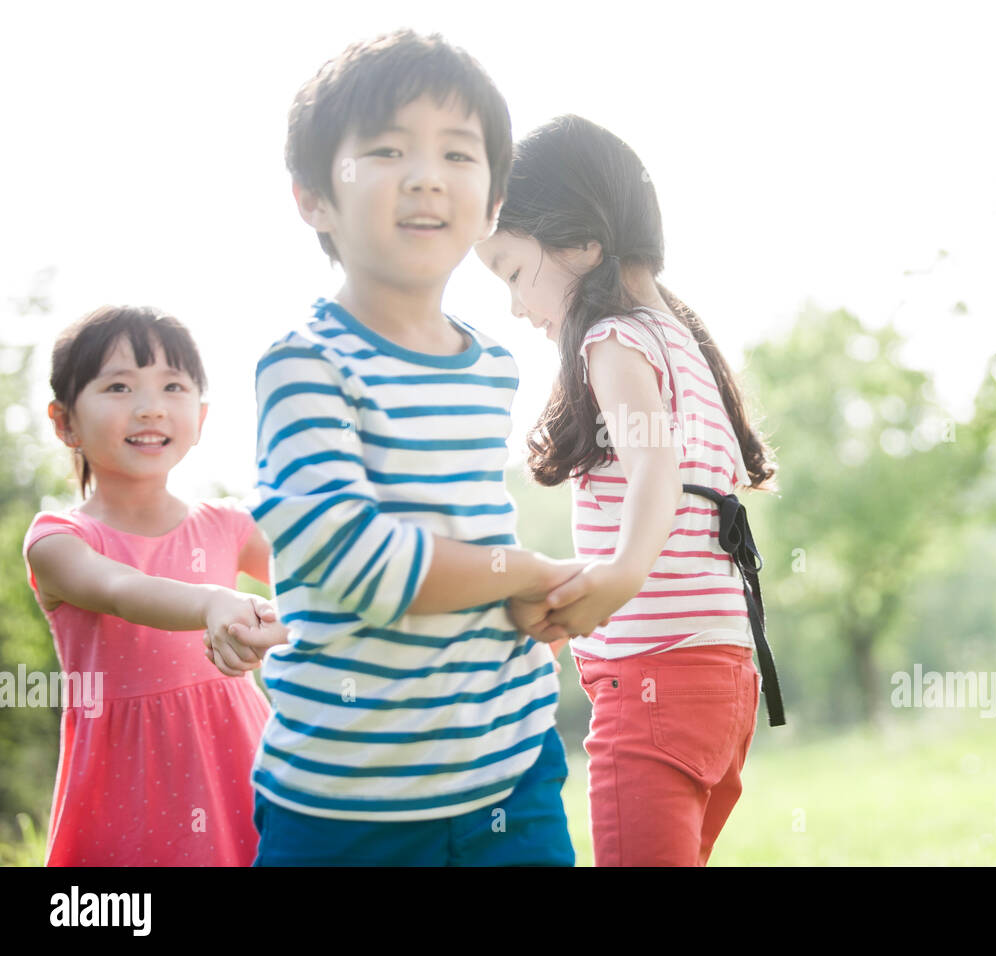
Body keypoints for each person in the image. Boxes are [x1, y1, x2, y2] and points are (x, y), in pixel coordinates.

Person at [237, 30, 591, 867]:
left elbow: (466, 537)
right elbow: (368, 566)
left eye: (458, 153)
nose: (428, 174)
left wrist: (516, 605)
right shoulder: (305, 365)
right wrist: (533, 575)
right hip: (347, 803)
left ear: (494, 200)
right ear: (314, 198)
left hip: (511, 775)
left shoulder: (494, 367)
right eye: (387, 150)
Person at [476, 114, 780, 866]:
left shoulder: (610, 337)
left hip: (655, 682)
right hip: (723, 675)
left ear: (582, 243)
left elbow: (653, 468)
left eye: (513, 273)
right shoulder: (681, 336)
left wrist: (617, 577)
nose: (515, 306)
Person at [22, 304, 286, 866]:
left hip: (247, 763)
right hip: (129, 789)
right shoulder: (60, 539)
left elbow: (324, 574)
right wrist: (214, 602)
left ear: (201, 415)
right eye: (118, 386)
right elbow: (121, 588)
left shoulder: (230, 525)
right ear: (64, 421)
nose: (150, 408)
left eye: (173, 386)